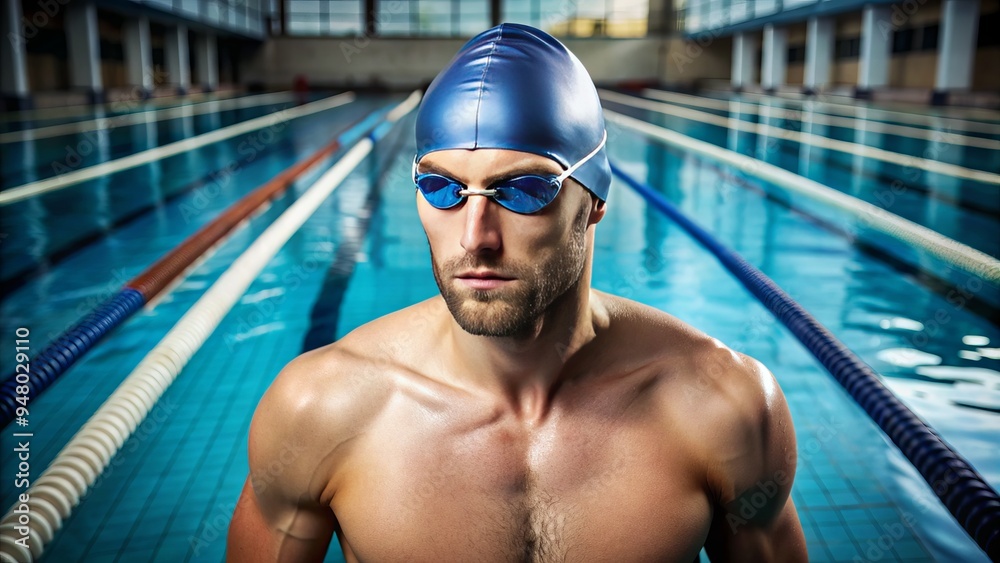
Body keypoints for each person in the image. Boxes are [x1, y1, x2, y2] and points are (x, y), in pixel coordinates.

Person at [227, 23, 807, 562]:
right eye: (443, 188)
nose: (475, 237)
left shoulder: (722, 408)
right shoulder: (320, 410)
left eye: (524, 190)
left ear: (595, 199)